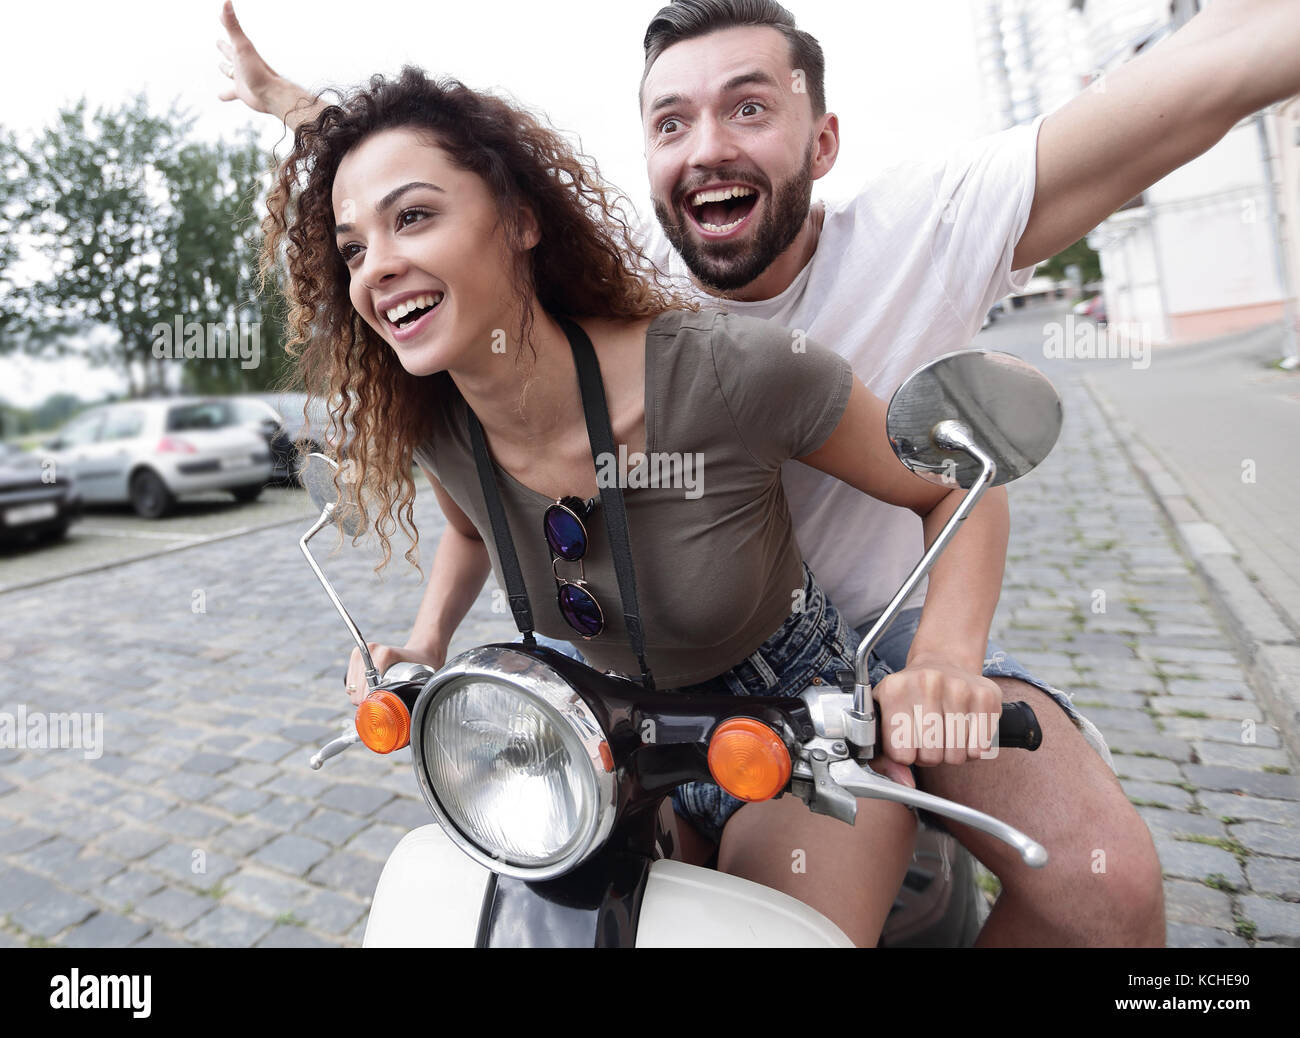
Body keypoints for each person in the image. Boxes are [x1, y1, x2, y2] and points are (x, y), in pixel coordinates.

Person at [223, 0, 1300, 945]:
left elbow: (1200, 77)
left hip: (840, 678)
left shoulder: (869, 264)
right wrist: (422, 641)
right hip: (606, 715)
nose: (707, 148)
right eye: (671, 121)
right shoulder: (483, 367)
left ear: (820, 137)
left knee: (1100, 888)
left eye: (748, 107)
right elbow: (442, 217)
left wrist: (949, 657)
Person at [259, 64, 1023, 947]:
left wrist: (947, 659)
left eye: (414, 217)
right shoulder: (438, 421)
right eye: (354, 248)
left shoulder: (727, 370)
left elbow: (956, 483)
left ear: (519, 219)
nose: (379, 266)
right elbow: (471, 528)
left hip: (791, 731)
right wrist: (426, 640)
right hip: (594, 740)